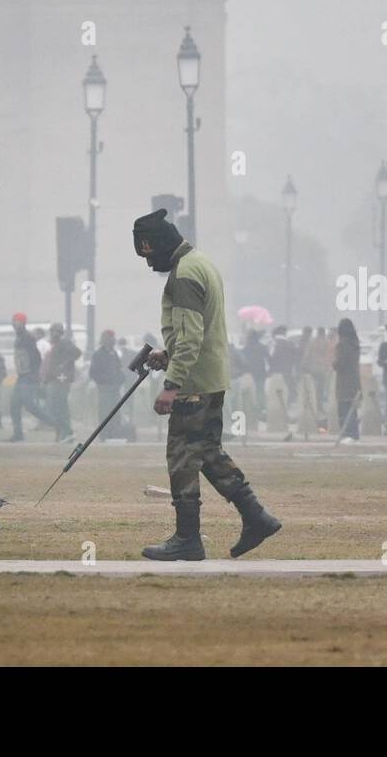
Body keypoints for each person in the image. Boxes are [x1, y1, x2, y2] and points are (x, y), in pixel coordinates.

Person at [133, 208, 281, 562]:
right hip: (211, 379)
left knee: (183, 457)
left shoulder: (184, 275)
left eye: (149, 254)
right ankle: (256, 517)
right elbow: (194, 334)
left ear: (162, 245)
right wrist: (167, 354)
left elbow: (190, 339)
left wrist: (171, 385)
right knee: (208, 453)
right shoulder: (201, 263)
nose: (149, 264)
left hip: (193, 386)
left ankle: (188, 538)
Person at [8, 313, 55, 441]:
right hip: (22, 376)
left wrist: (35, 374)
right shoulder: (19, 337)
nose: (13, 324)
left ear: (22, 323)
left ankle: (56, 424)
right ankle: (18, 434)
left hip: (28, 376)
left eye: (16, 321)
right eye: (13, 321)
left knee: (29, 404)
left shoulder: (27, 338)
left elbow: (36, 357)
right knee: (14, 405)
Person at [42, 323, 80, 443]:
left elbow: (77, 353)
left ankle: (67, 432)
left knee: (60, 407)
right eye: (53, 331)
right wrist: (46, 379)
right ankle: (61, 433)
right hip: (53, 379)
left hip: (61, 380)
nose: (55, 333)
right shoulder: (54, 344)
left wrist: (65, 364)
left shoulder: (64, 343)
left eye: (58, 331)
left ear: (61, 333)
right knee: (56, 408)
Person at [89, 329, 124, 437]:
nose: (112, 340)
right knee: (104, 412)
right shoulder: (97, 354)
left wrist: (120, 379)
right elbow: (93, 373)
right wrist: (104, 381)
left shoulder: (114, 354)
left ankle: (115, 433)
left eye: (112, 338)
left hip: (115, 388)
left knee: (116, 411)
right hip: (104, 389)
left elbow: (118, 369)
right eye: (109, 338)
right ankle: (105, 434)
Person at [333, 318, 361, 442]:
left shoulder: (343, 344)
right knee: (352, 409)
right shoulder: (355, 343)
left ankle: (347, 435)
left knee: (343, 408)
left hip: (344, 380)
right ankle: (354, 435)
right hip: (354, 379)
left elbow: (341, 363)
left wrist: (334, 363)